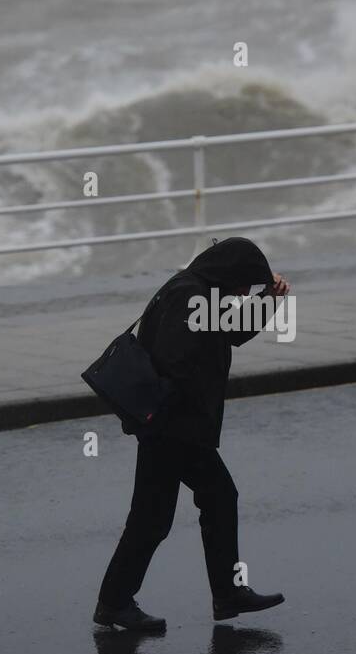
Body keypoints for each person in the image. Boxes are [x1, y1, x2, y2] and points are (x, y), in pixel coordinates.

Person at [95, 237, 290, 632]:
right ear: (228, 273)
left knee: (165, 513)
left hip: (173, 428)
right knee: (185, 507)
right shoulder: (189, 296)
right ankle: (125, 601)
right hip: (172, 429)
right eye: (243, 285)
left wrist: (269, 299)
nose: (241, 294)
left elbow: (231, 333)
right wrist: (182, 424)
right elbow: (176, 367)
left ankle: (126, 600)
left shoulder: (198, 290)